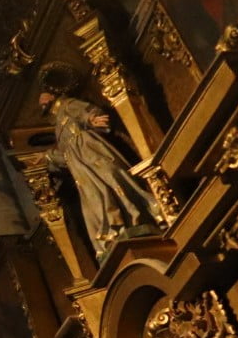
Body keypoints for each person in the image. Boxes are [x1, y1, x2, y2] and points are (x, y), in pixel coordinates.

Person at [40, 89, 157, 255]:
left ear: (53, 95)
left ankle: (135, 217)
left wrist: (91, 118)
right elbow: (65, 155)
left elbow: (87, 112)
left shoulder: (68, 104)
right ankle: (111, 230)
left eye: (43, 97)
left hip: (90, 151)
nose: (41, 103)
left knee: (111, 177)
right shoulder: (58, 125)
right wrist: (49, 158)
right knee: (93, 198)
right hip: (78, 165)